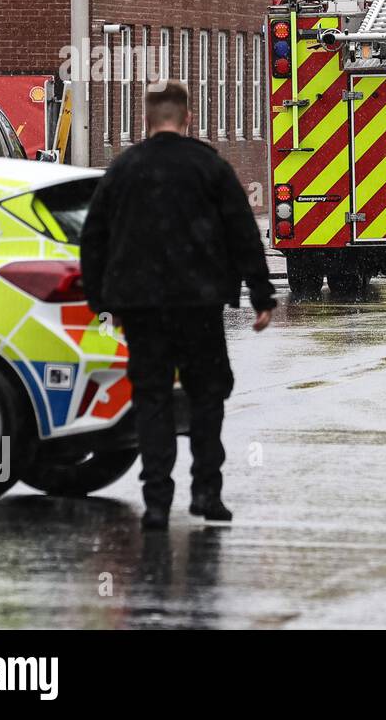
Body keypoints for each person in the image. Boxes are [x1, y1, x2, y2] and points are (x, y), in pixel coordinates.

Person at [81, 84, 276, 531]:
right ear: (187, 119)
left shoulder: (123, 169)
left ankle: (155, 503)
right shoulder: (210, 167)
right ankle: (207, 493)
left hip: (142, 307)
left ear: (147, 123)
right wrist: (261, 296)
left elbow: (93, 238)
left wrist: (101, 301)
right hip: (199, 305)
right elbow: (242, 233)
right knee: (208, 395)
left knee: (151, 397)